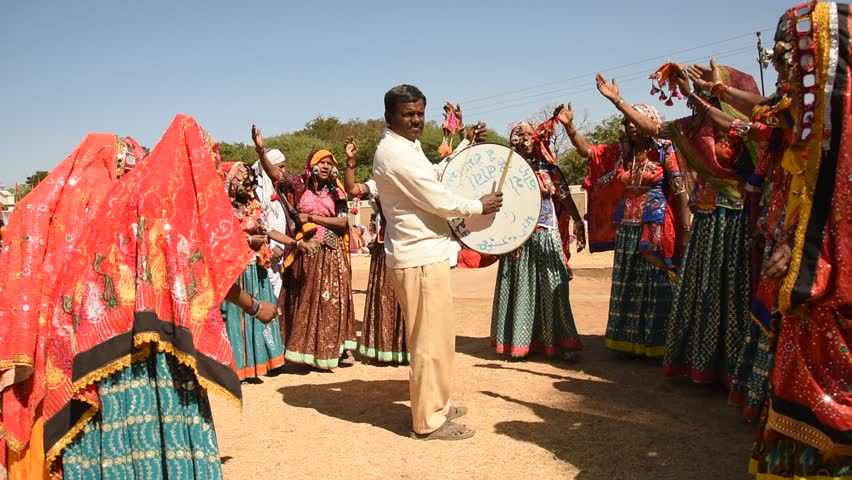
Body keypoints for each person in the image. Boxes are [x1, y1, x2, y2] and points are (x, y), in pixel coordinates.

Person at [41, 115, 277, 479]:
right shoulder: (169, 200)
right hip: (151, 347)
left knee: (119, 429)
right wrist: (256, 306)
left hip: (102, 337)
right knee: (162, 419)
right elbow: (199, 270)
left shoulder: (128, 192)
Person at [681, 3, 851, 475]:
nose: (783, 67)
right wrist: (711, 91)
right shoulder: (803, 118)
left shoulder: (836, 123)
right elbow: (749, 118)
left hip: (825, 263)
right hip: (796, 248)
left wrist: (803, 246)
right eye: (778, 60)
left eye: (789, 57)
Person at [594, 67, 761, 389]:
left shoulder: (744, 130)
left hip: (736, 217)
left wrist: (695, 93)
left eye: (710, 95)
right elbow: (653, 127)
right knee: (702, 290)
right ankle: (703, 363)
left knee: (731, 290)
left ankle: (734, 367)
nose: (698, 103)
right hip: (707, 220)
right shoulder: (689, 129)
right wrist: (618, 101)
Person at [0, 133, 142, 480]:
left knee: (37, 400)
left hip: (43, 321)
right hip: (81, 323)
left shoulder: (54, 195)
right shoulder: (101, 191)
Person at [372, 84, 502, 440]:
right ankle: (427, 421)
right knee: (428, 342)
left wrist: (463, 147)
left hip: (426, 255)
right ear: (389, 117)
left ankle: (437, 404)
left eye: (419, 114)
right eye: (407, 115)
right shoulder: (394, 153)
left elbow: (433, 173)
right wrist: (479, 206)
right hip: (418, 258)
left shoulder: (407, 148)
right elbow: (436, 197)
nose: (415, 121)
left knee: (439, 338)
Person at [561, 100, 689, 358]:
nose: (631, 125)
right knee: (628, 283)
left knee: (656, 283)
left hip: (655, 226)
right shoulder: (622, 153)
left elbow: (680, 190)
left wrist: (685, 230)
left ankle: (659, 345)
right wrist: (571, 128)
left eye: (635, 120)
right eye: (628, 121)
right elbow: (589, 152)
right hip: (627, 227)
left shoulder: (664, 150)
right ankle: (628, 343)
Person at [252, 126, 358, 369]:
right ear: (311, 166)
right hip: (305, 252)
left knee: (330, 304)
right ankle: (304, 351)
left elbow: (343, 222)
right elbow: (274, 174)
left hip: (331, 254)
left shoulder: (337, 192)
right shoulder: (298, 186)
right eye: (322, 163)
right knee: (304, 301)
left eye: (330, 164)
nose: (326, 167)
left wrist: (311, 218)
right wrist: (260, 150)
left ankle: (332, 350)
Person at [490, 114, 585, 360]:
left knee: (555, 286)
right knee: (521, 288)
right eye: (517, 136)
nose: (522, 140)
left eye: (526, 134)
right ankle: (520, 342)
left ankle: (563, 342)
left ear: (537, 138)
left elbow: (564, 197)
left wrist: (579, 223)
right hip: (517, 238)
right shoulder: (505, 172)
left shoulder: (549, 169)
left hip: (546, 232)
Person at [221, 161, 289, 381]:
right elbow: (220, 240)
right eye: (245, 184)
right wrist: (249, 240)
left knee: (262, 313)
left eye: (252, 184)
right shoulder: (223, 209)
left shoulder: (254, 205)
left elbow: (270, 232)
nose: (250, 188)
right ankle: (241, 367)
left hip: (258, 269)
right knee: (238, 317)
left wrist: (294, 243)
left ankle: (266, 361)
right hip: (238, 271)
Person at [252, 149, 290, 297]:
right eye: (280, 167)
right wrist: (271, 248)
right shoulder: (257, 190)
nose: (284, 171)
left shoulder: (279, 189)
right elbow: (258, 223)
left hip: (281, 251)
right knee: (266, 292)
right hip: (267, 252)